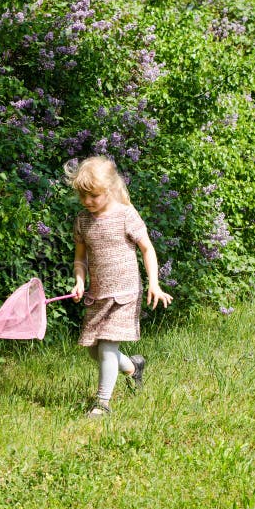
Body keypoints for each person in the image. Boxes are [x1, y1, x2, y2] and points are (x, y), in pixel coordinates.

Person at [65, 156, 173, 418]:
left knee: (107, 348)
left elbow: (147, 249)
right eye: (82, 196)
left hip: (125, 294)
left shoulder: (125, 215)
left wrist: (154, 283)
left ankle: (102, 404)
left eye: (93, 195)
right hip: (98, 294)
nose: (87, 201)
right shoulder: (83, 220)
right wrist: (79, 281)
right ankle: (133, 367)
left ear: (110, 189)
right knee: (94, 349)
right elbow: (80, 259)